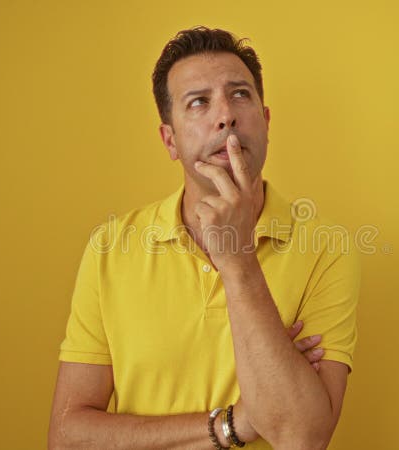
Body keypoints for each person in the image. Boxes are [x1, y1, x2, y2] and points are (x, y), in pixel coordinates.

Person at [48, 26, 361, 450]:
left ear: (266, 123)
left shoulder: (328, 249)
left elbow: (303, 437)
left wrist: (238, 259)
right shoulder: (110, 248)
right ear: (170, 140)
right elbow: (67, 438)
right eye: (199, 102)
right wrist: (236, 423)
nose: (226, 115)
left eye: (240, 95)